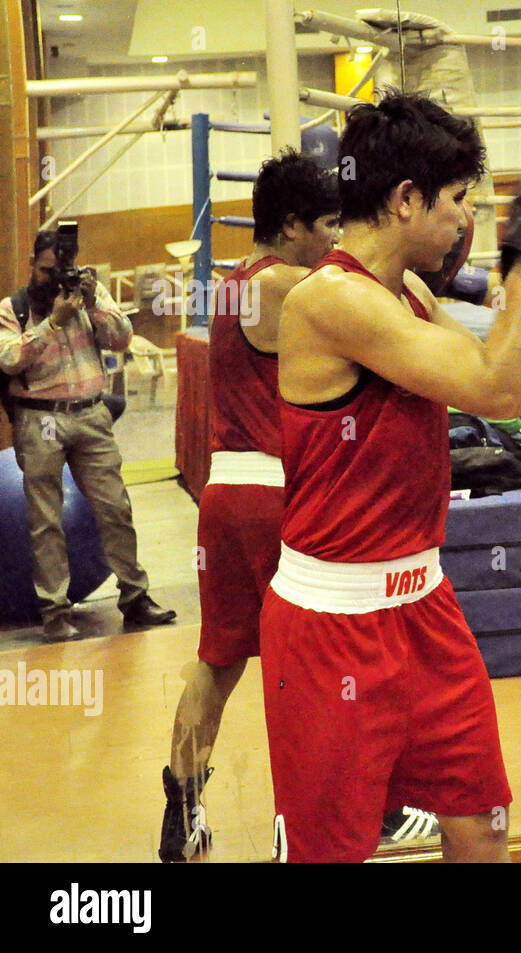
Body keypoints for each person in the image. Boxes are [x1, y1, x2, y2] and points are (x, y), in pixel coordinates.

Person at [260, 94, 521, 862]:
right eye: (459, 200)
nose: (466, 219)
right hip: (334, 625)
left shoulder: (412, 292)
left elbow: (487, 363)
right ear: (405, 200)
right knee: (333, 850)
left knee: (481, 820)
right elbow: (497, 389)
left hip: (424, 607)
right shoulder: (328, 301)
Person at [158, 150, 340, 863]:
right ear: (291, 224)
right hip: (275, 496)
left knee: (219, 660)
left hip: (224, 495)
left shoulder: (235, 285)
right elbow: (377, 290)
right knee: (311, 663)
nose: (335, 239)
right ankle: (307, 822)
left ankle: (180, 816)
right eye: (327, 223)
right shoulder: (289, 286)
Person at [0, 231, 176, 642]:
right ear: (31, 265)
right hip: (40, 419)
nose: (54, 277)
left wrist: (94, 300)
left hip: (91, 414)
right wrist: (52, 322)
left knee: (116, 507)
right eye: (46, 270)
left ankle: (135, 597)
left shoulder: (86, 296)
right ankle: (55, 610)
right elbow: (8, 359)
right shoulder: (13, 309)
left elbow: (122, 337)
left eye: (60, 269)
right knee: (45, 521)